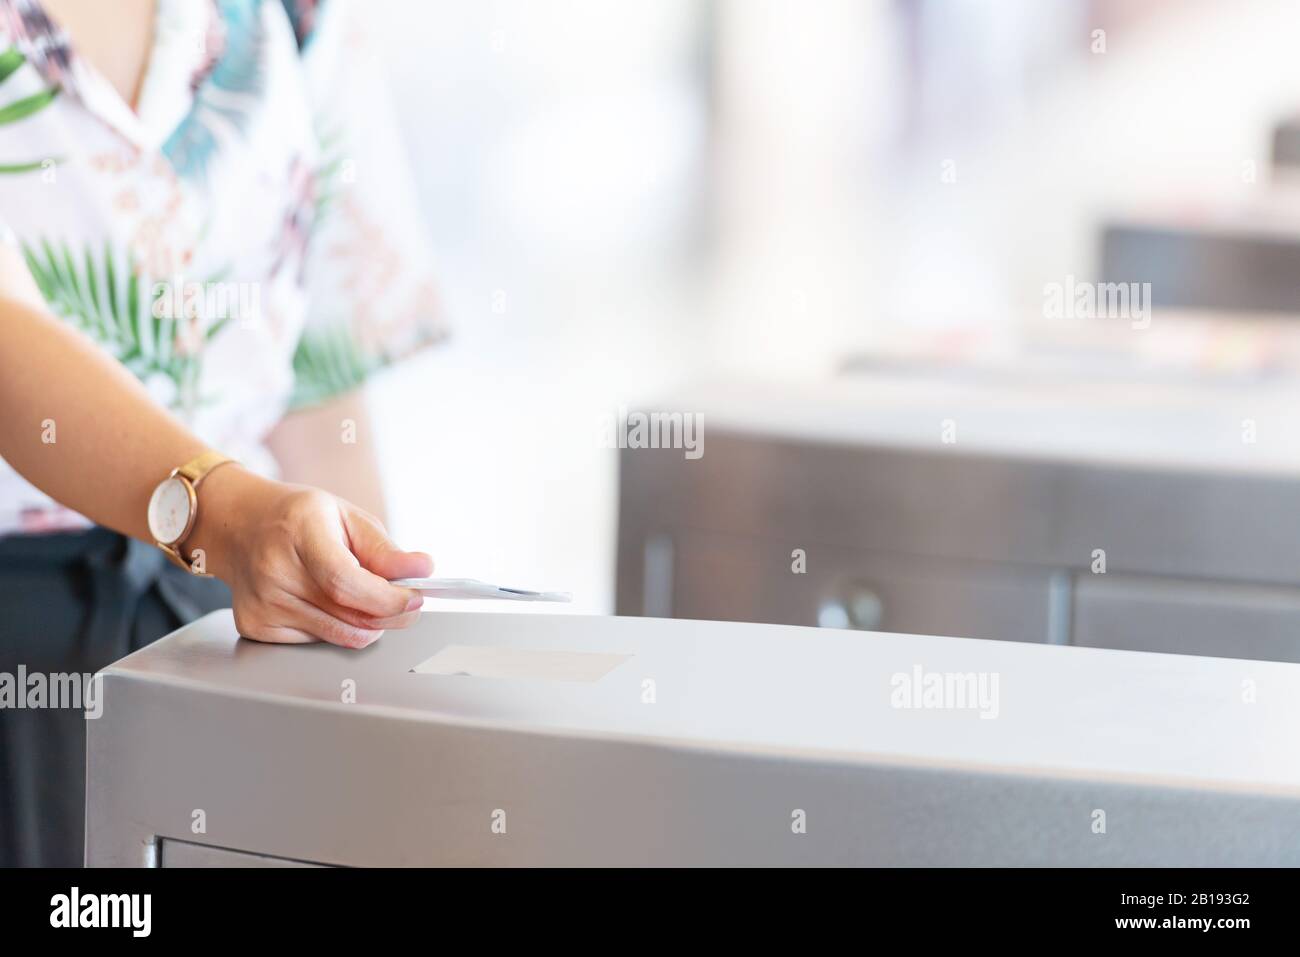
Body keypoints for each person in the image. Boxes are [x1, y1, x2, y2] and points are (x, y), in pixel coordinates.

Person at [0, 0, 445, 865]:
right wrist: (222, 515)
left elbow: (317, 393)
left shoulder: (297, 19)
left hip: (225, 630)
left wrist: (372, 646)